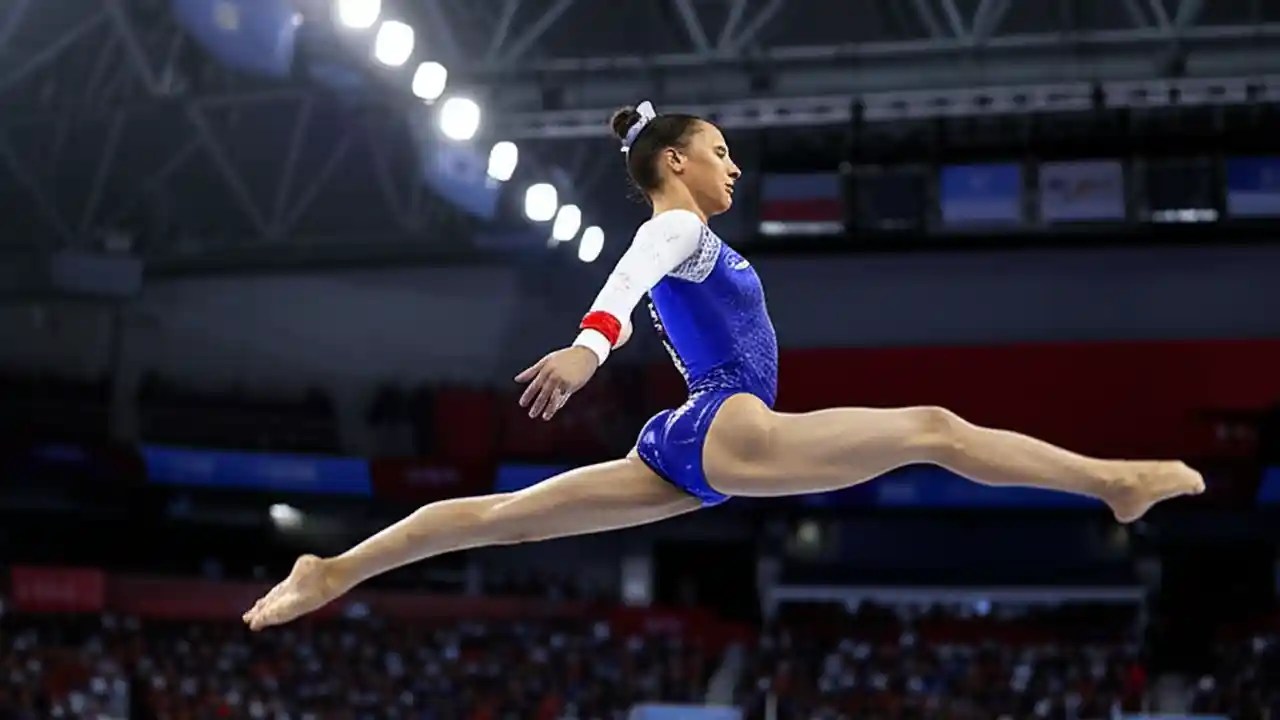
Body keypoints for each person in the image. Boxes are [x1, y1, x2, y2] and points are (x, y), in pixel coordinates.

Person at [242, 101, 1204, 631]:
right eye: (720, 151)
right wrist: (589, 346)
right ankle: (1112, 482)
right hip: (726, 421)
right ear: (675, 163)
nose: (733, 167)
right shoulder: (679, 230)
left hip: (688, 439)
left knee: (506, 519)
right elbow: (632, 271)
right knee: (935, 429)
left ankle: (333, 569)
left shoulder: (691, 234)